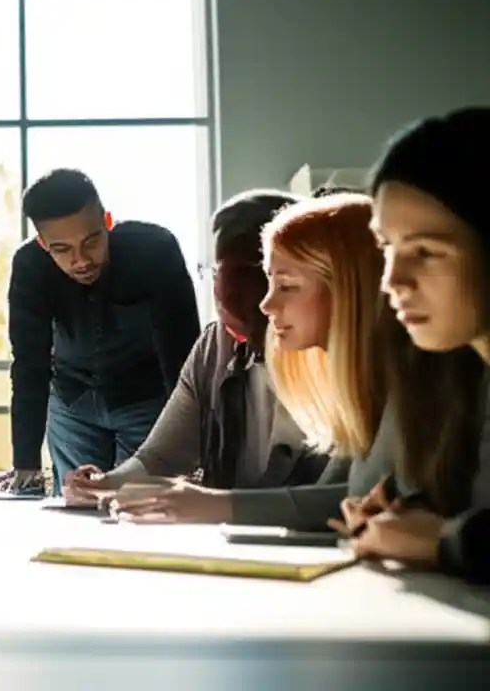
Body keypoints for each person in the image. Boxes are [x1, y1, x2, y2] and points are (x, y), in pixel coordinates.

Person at [111, 193, 393, 526]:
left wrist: (215, 505)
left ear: (346, 287)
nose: (265, 304)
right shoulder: (218, 349)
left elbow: (343, 503)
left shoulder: (397, 383)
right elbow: (343, 498)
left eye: (286, 285)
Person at [63, 189, 333, 509]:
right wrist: (104, 484)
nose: (222, 293)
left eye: (244, 275)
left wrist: (215, 505)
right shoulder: (215, 348)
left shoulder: (333, 358)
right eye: (214, 272)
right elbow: (161, 456)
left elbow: (336, 499)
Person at [338, 107, 490, 583]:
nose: (392, 280)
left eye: (426, 251)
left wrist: (446, 540)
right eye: (387, 247)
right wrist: (413, 514)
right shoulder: (454, 374)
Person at [7, 168, 200, 495]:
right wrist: (25, 463)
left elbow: (181, 351)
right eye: (62, 249)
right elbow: (29, 363)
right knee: (76, 504)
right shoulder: (29, 266)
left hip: (146, 402)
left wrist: (192, 443)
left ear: (107, 221)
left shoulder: (155, 251)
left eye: (91, 241)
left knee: (139, 505)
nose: (81, 260)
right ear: (42, 243)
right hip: (72, 404)